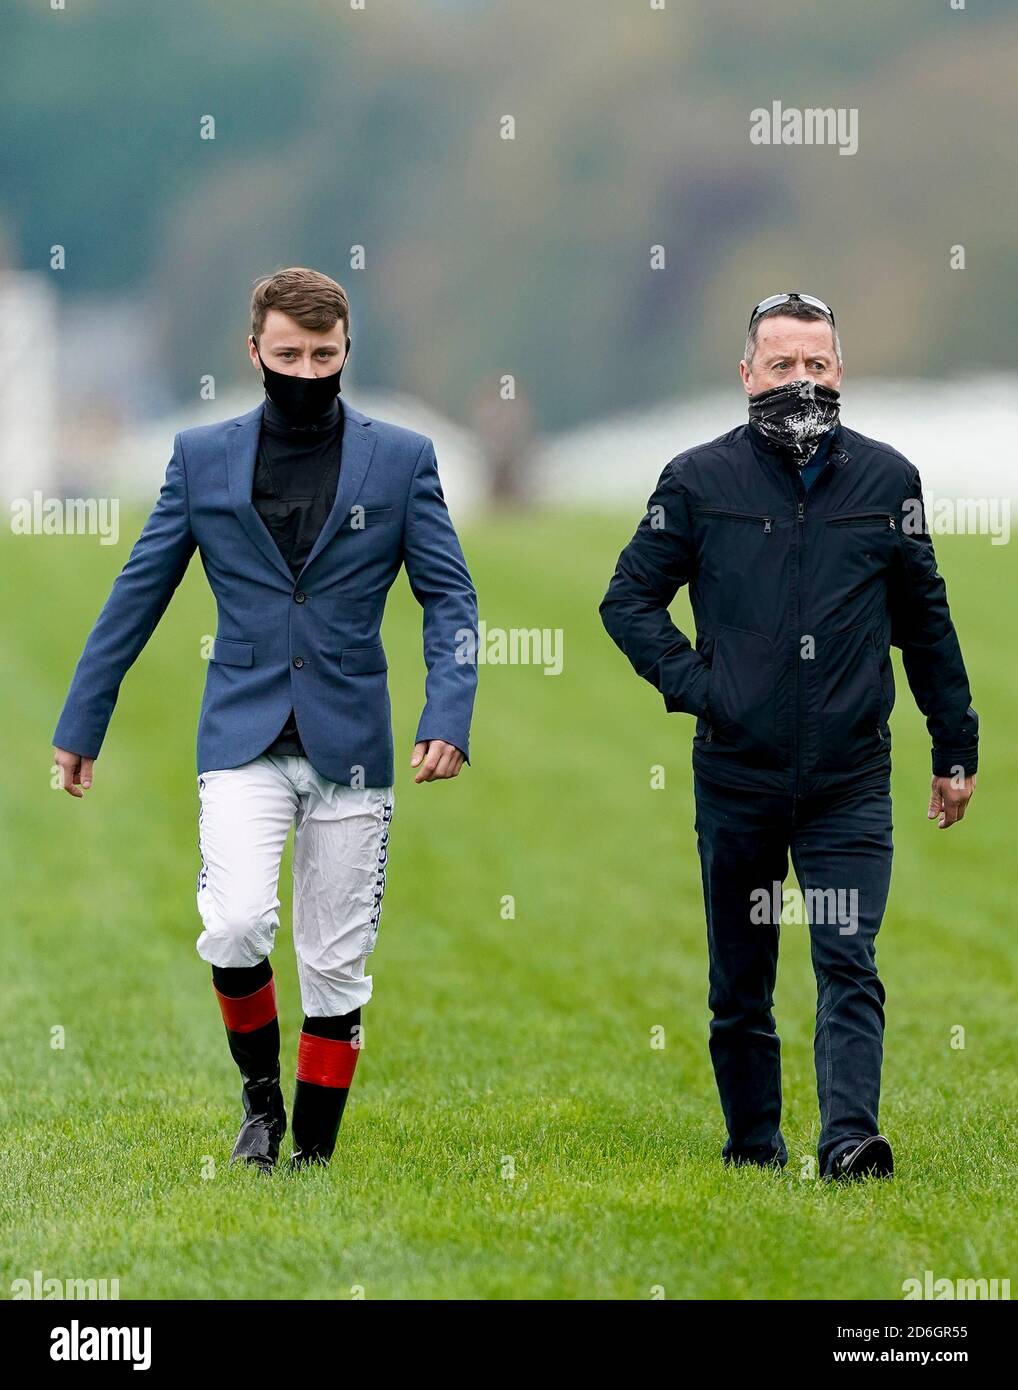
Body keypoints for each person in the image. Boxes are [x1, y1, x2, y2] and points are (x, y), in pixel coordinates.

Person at [52, 266, 478, 1172]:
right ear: (254, 352)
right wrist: (83, 721)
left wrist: (449, 709)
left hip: (352, 743)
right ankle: (260, 1103)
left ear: (347, 350)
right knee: (237, 921)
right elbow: (137, 594)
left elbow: (451, 597)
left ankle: (314, 1155)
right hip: (240, 734)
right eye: (289, 355)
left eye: (324, 355)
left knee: (335, 959)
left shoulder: (403, 460)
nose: (307, 371)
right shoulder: (201, 458)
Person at [600, 292, 978, 1180]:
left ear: (840, 370)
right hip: (739, 774)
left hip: (851, 778)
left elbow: (925, 619)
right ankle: (753, 1147)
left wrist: (954, 745)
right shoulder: (697, 482)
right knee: (741, 982)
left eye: (815, 364)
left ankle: (849, 1141)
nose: (799, 380)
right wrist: (703, 689)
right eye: (781, 365)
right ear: (747, 375)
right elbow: (628, 601)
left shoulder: (888, 482)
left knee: (849, 961)